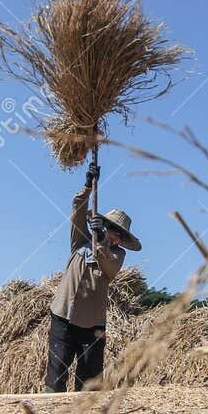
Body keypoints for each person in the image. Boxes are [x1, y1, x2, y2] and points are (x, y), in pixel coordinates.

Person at [45, 156, 140, 392]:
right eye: (110, 228)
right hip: (63, 317)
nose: (113, 234)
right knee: (56, 376)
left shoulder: (117, 256)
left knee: (88, 385)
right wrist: (88, 186)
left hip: (93, 325)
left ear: (121, 239)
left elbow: (107, 266)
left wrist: (101, 242)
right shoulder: (80, 241)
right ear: (104, 225)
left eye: (117, 233)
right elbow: (77, 209)